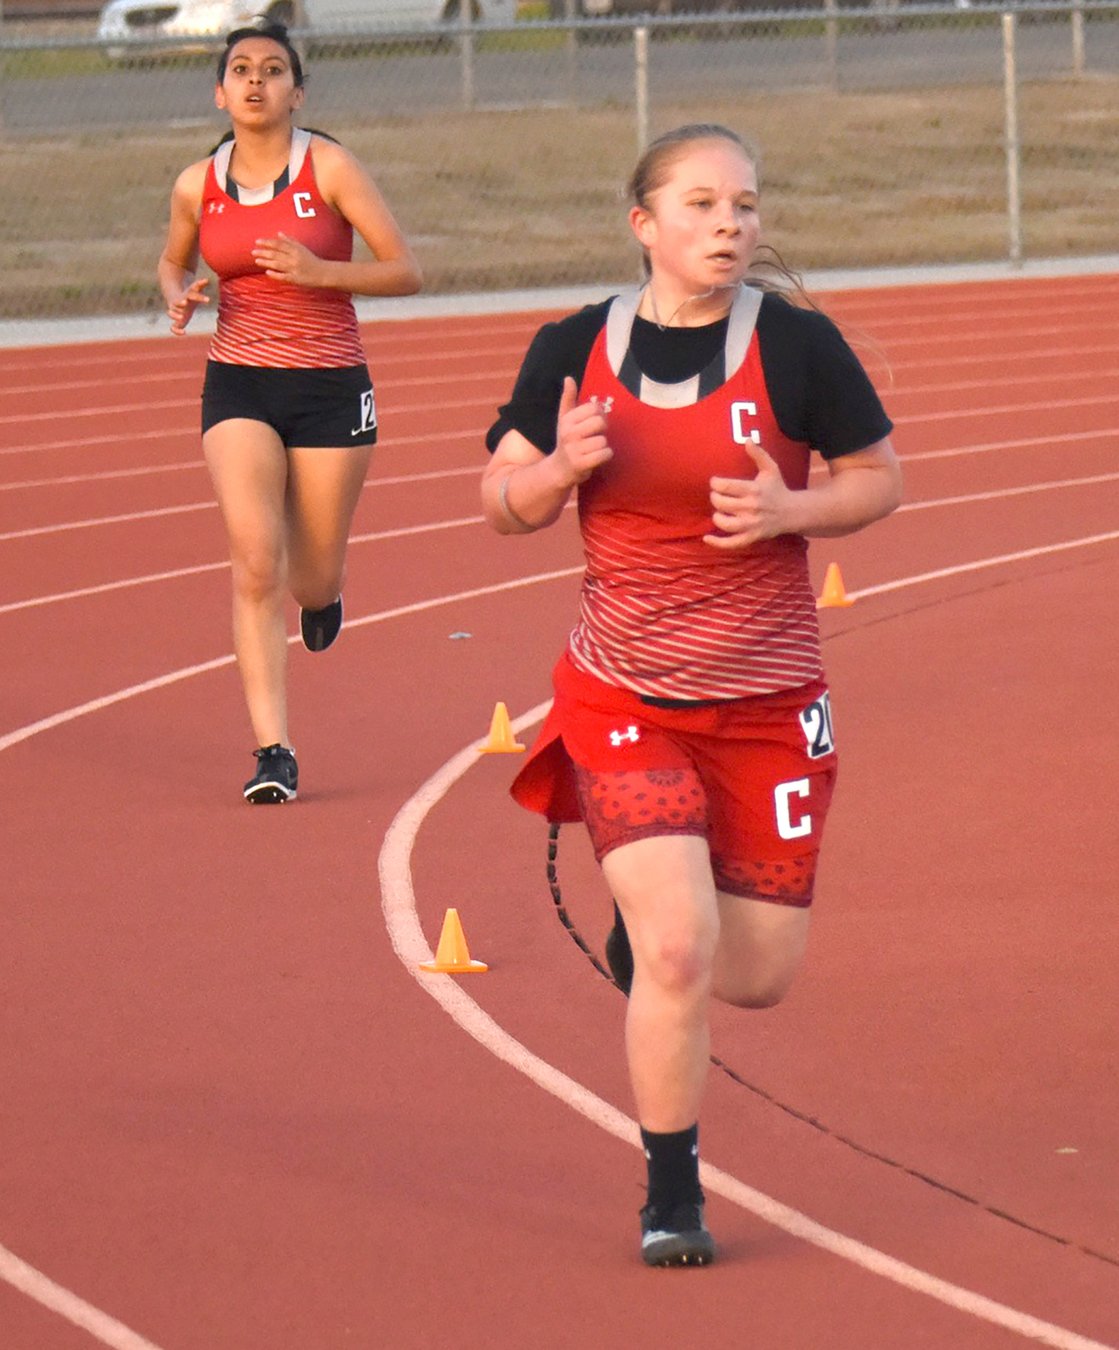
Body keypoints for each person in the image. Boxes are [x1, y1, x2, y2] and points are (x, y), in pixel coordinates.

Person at [481, 124, 902, 1267]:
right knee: (679, 955)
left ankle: (654, 934)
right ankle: (675, 1195)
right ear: (645, 224)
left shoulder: (800, 348)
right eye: (706, 206)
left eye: (747, 208)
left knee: (751, 973)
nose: (731, 227)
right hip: (625, 693)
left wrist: (792, 515)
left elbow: (880, 480)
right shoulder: (574, 347)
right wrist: (554, 473)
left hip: (769, 706)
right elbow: (498, 499)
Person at [158, 21, 422, 803]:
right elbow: (173, 259)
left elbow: (406, 270)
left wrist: (318, 270)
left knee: (308, 576)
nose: (255, 82)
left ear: (295, 92)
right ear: (220, 91)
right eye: (240, 69)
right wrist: (180, 297)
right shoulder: (194, 183)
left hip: (329, 387)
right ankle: (273, 749)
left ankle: (326, 594)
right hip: (238, 382)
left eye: (273, 70)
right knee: (253, 560)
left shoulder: (330, 167)